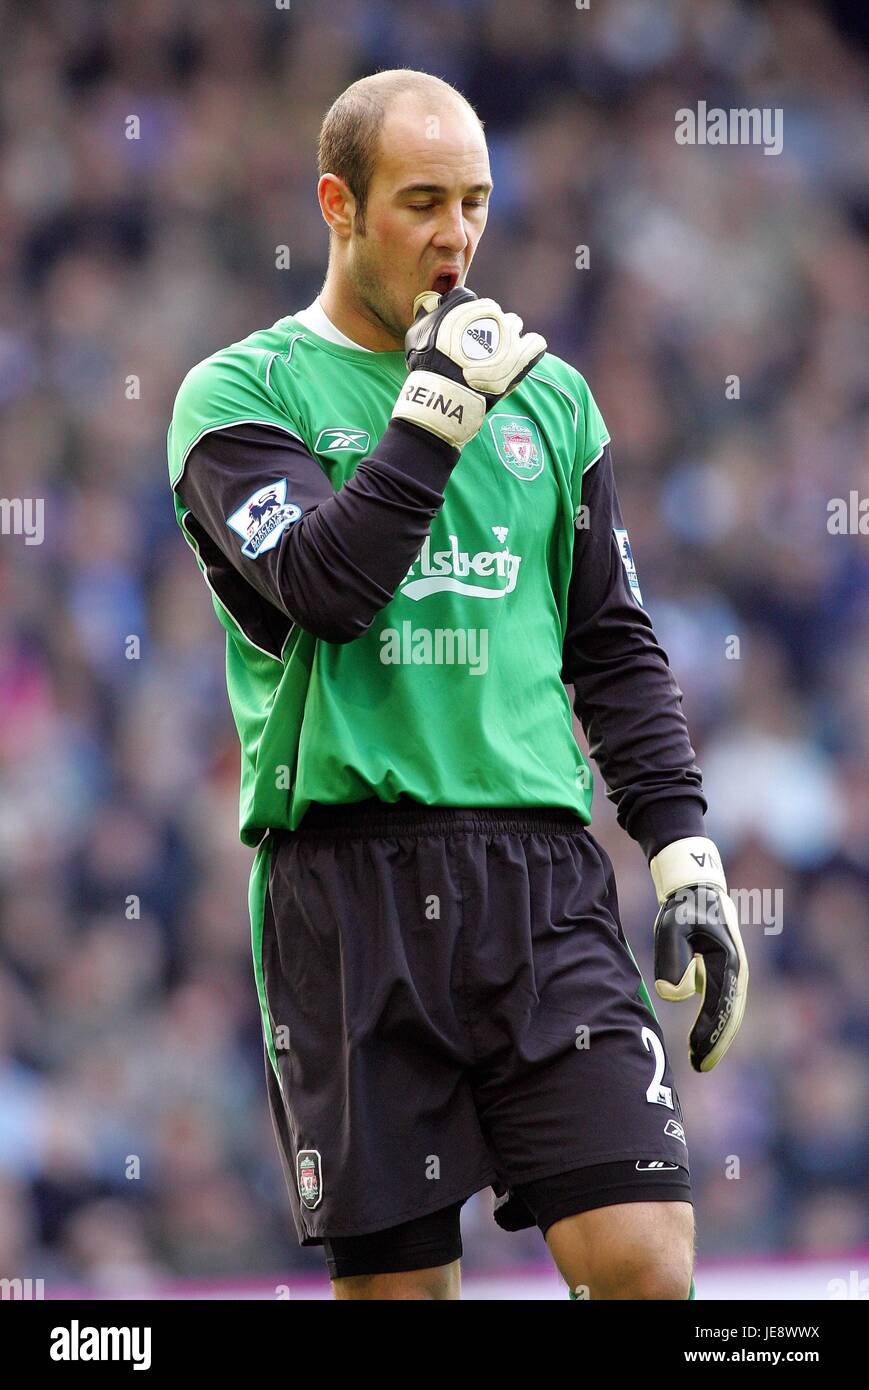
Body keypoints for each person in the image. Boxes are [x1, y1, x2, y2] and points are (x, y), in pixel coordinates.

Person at [166, 68, 747, 1301]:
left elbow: (610, 642)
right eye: (420, 202)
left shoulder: (549, 396)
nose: (456, 237)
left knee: (646, 1265)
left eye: (474, 202)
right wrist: (431, 416)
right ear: (337, 203)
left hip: (539, 886)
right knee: (404, 1301)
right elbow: (325, 586)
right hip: (346, 889)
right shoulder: (236, 395)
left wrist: (682, 849)